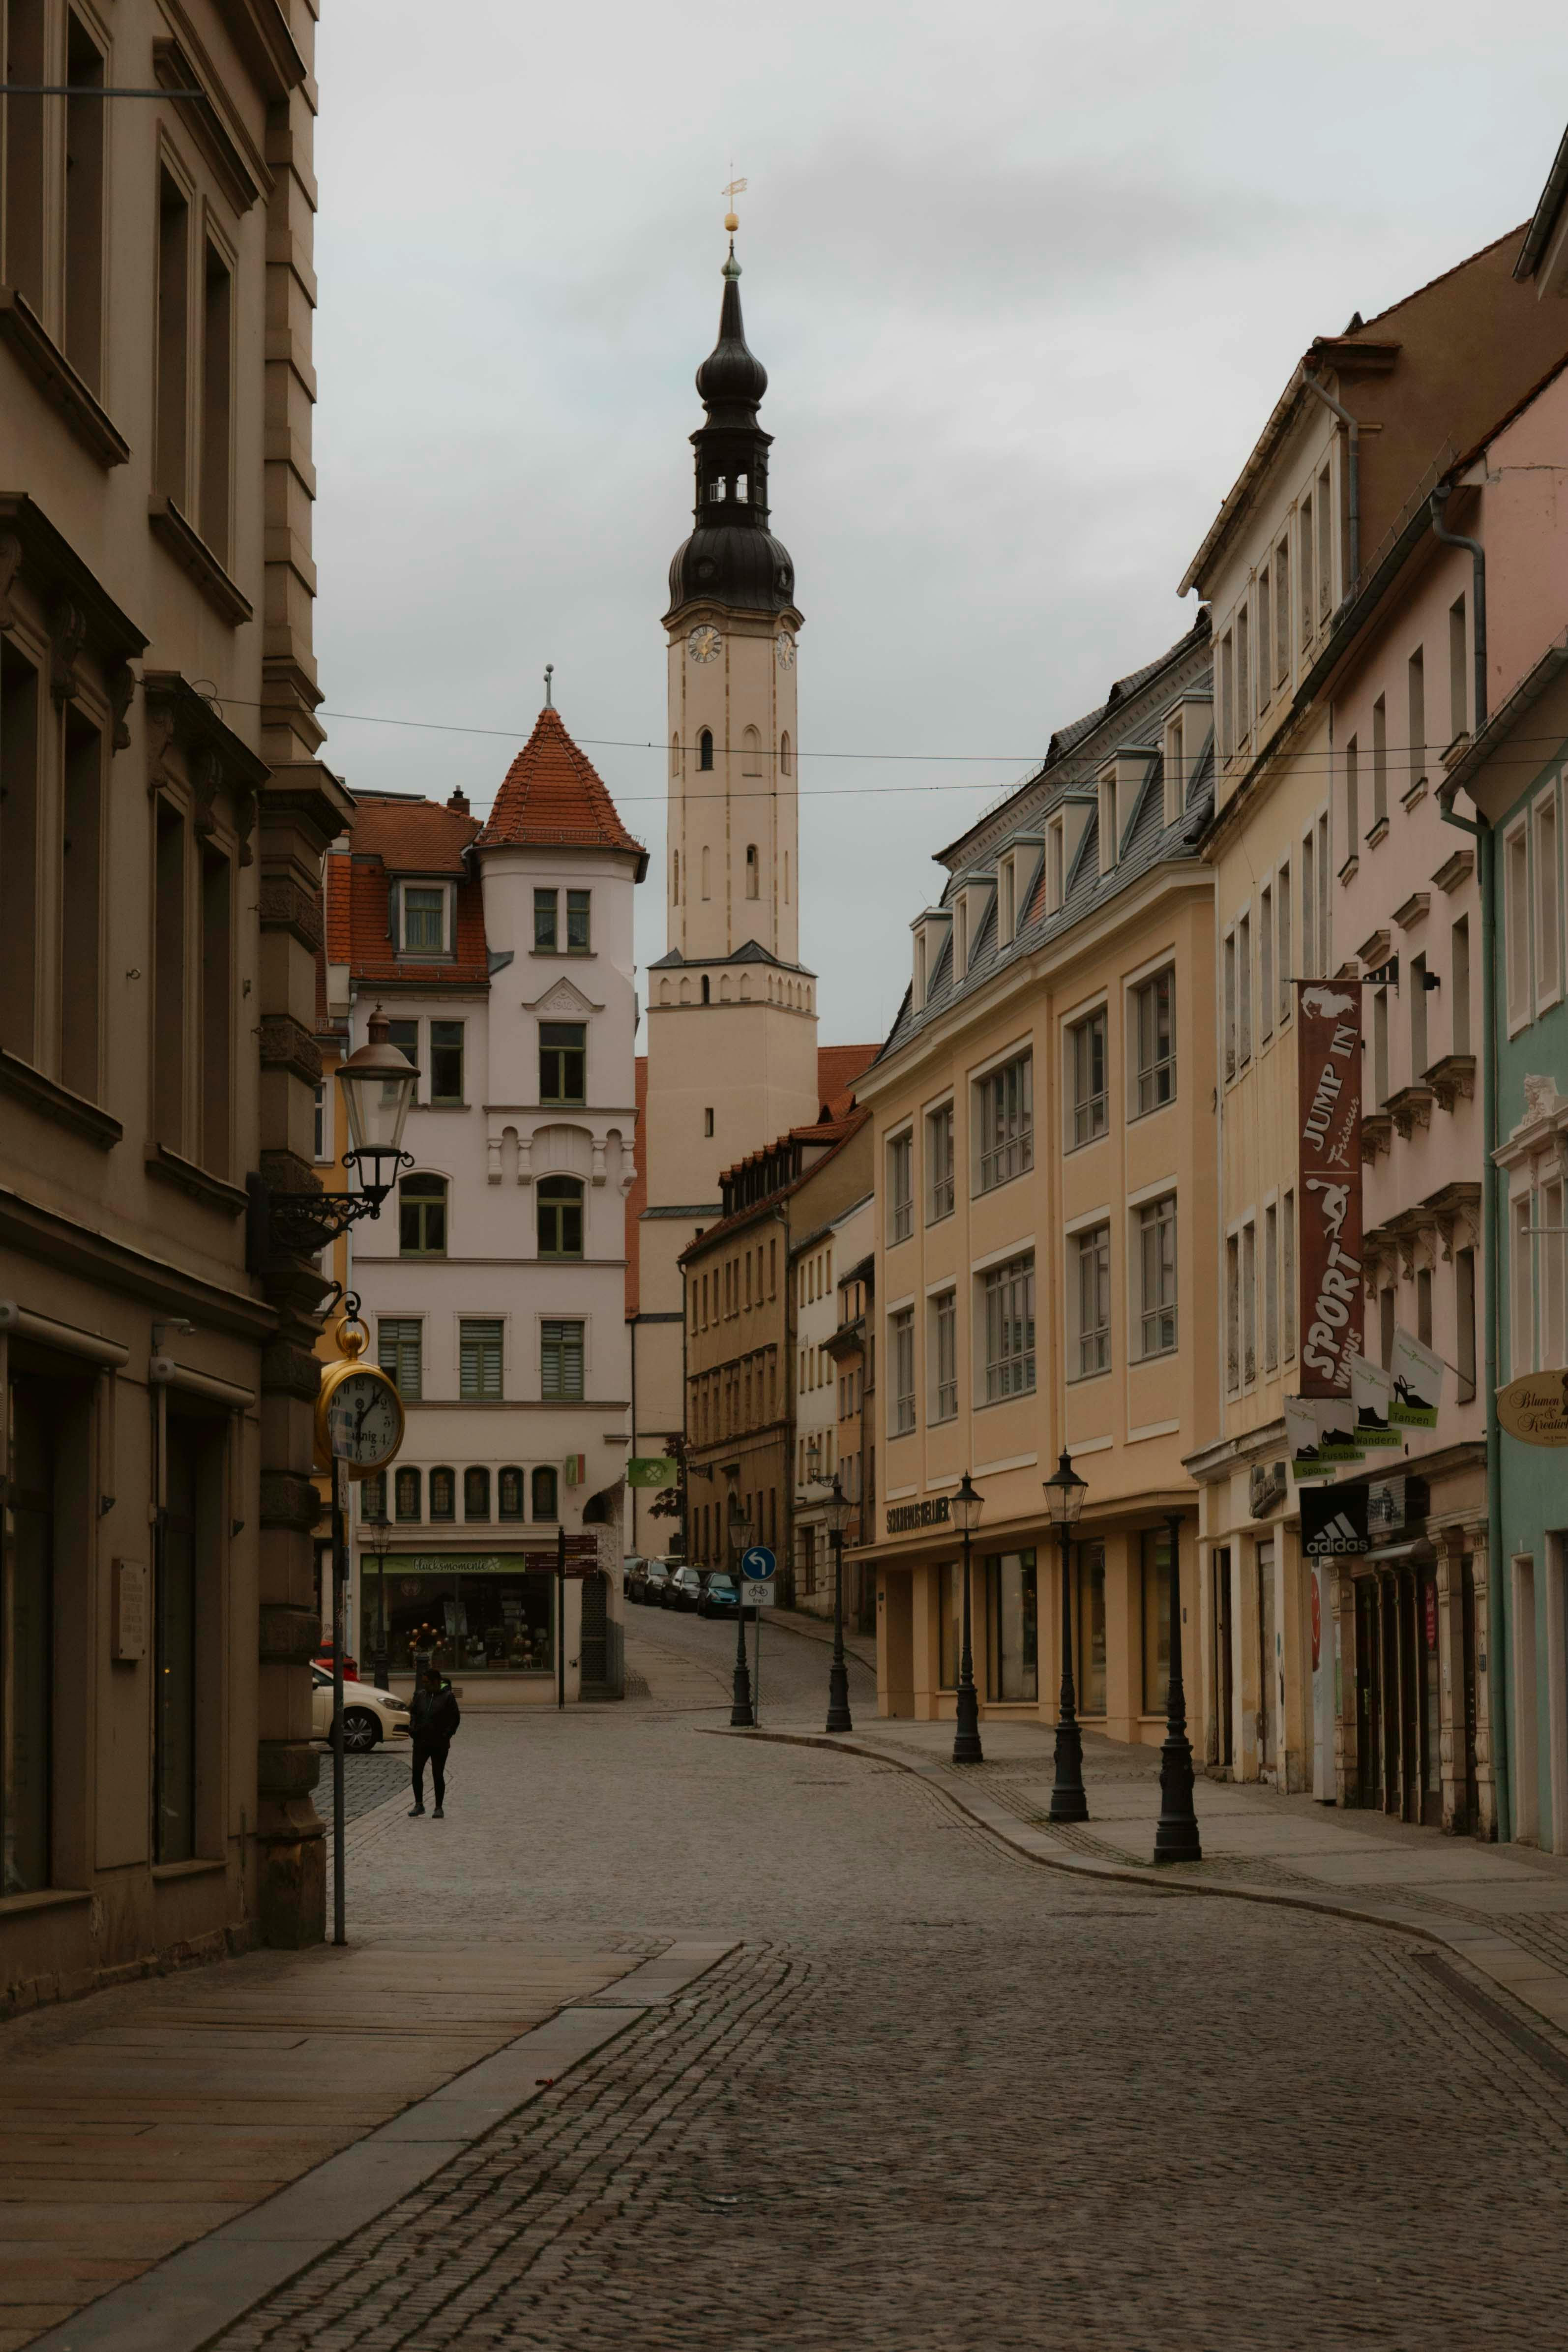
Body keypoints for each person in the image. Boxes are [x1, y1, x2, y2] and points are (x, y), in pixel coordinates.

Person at [407, 1665, 460, 1818]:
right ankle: (419, 1804)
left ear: (436, 1681)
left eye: (427, 1682)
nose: (424, 1685)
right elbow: (414, 1714)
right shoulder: (420, 1696)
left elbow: (455, 1719)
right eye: (423, 1682)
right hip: (421, 1741)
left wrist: (446, 1734)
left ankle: (439, 1807)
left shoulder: (448, 1697)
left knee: (438, 1774)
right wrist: (413, 1729)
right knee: (417, 1773)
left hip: (439, 1743)